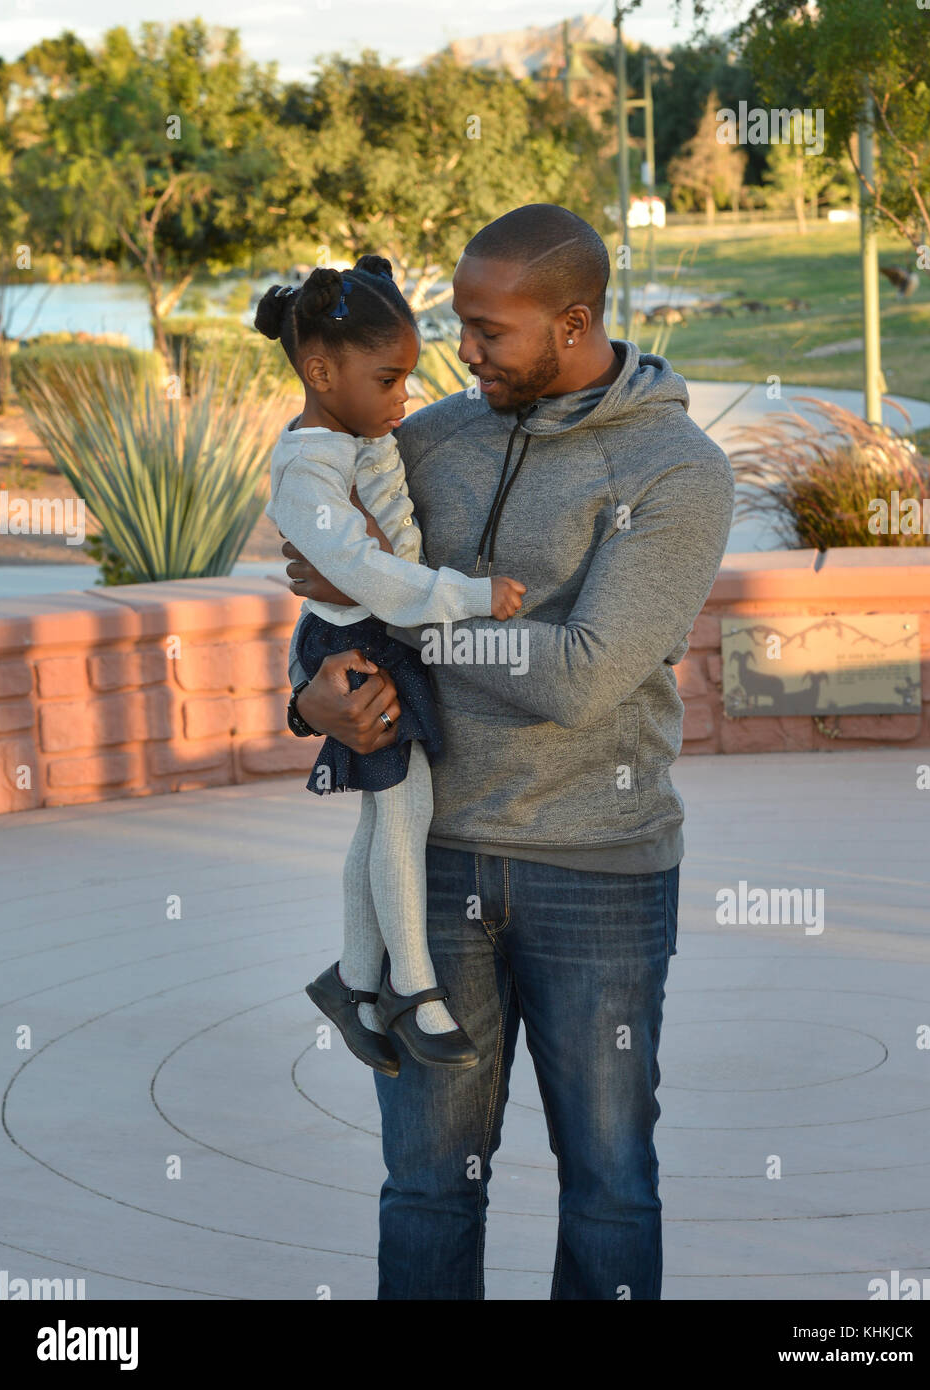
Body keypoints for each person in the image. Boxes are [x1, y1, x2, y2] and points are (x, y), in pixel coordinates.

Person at [283, 205, 735, 1300]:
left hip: (600, 870)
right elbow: (327, 598)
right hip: (430, 863)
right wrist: (309, 702)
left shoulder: (678, 471)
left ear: (574, 322)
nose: (462, 351)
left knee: (610, 1181)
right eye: (457, 324)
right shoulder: (423, 438)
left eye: (489, 331)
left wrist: (425, 613)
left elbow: (582, 674)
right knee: (428, 1184)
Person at [256, 254, 526, 1074]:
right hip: (355, 646)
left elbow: (373, 545)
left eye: (409, 379)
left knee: (387, 817)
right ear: (320, 370)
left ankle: (356, 982)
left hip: (373, 634)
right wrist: (470, 596)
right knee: (404, 817)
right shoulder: (307, 466)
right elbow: (369, 574)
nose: (403, 400)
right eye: (389, 380)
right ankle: (410, 987)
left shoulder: (352, 432)